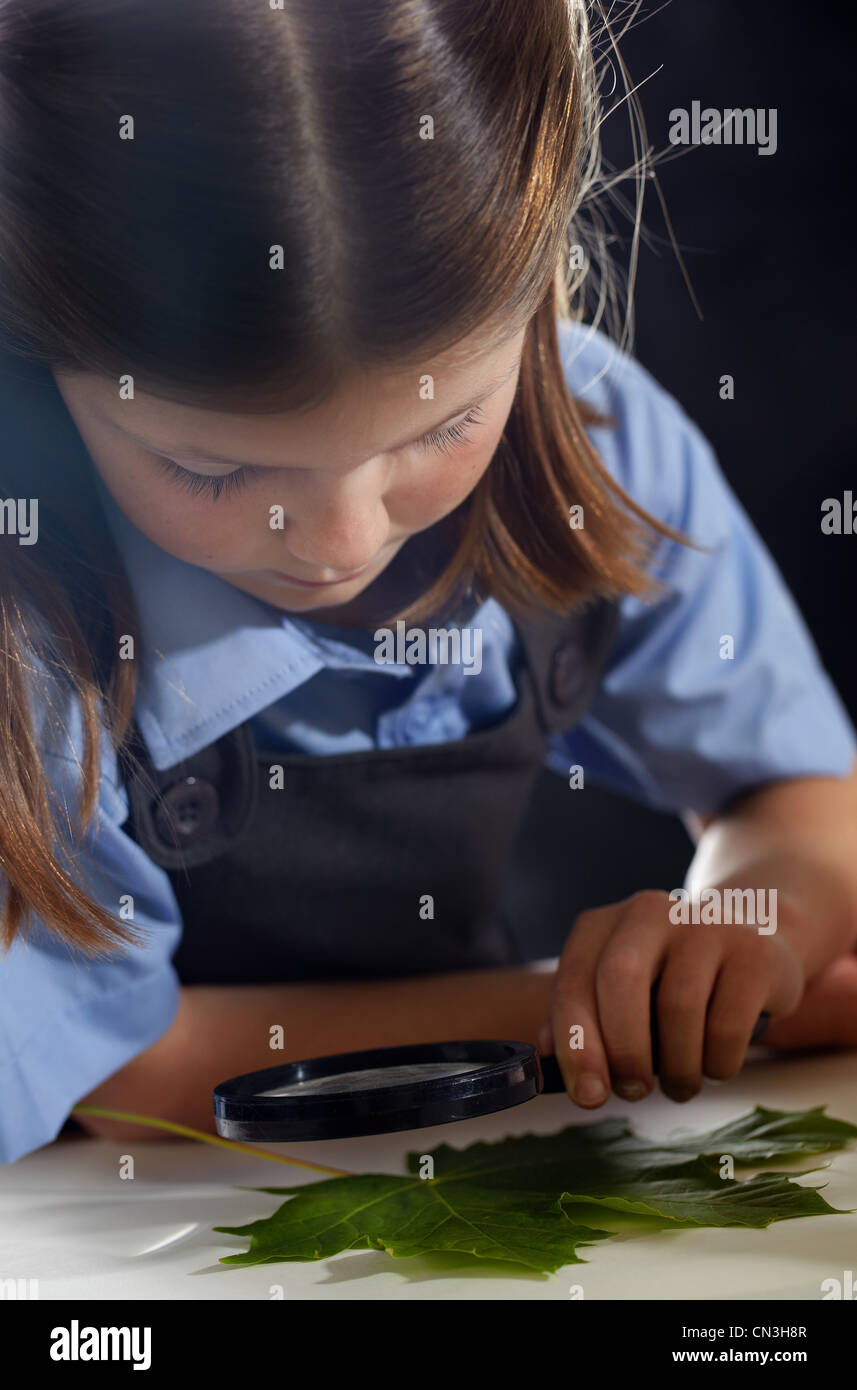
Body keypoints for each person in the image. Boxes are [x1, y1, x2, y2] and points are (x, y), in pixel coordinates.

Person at [1, 0, 855, 1166]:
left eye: (444, 422)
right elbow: (126, 1073)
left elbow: (800, 797)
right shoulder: (33, 618)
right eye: (211, 465)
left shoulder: (599, 444)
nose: (339, 541)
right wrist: (584, 1015)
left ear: (538, 280)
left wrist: (751, 923)